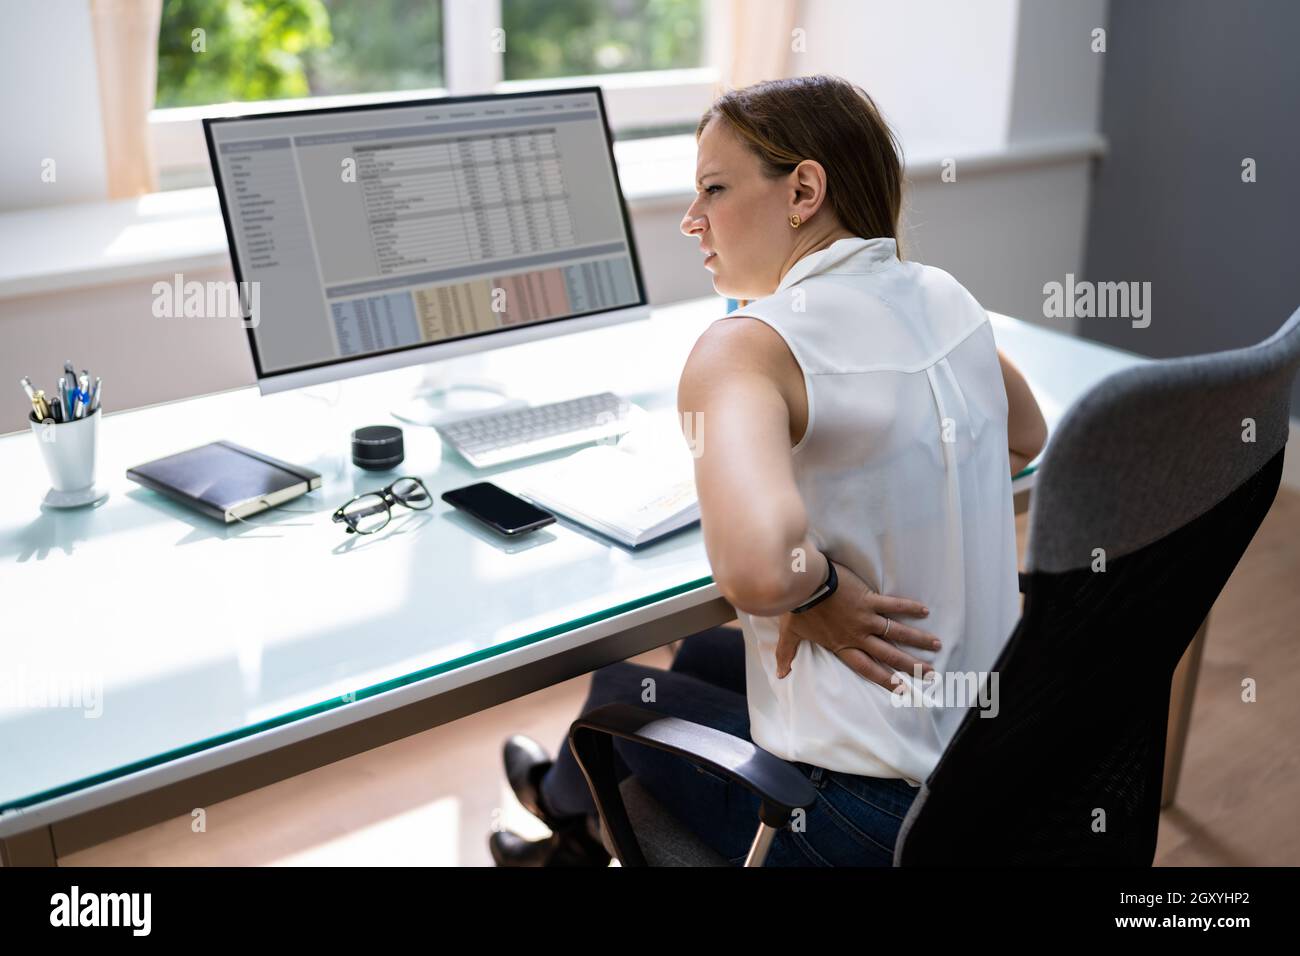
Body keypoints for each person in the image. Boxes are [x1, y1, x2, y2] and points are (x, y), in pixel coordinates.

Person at [489, 74, 1048, 866]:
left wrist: (814, 589)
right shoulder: (945, 298)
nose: (692, 220)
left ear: (804, 190)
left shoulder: (746, 345)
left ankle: (559, 815)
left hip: (865, 825)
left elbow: (758, 564)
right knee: (699, 658)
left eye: (714, 189)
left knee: (620, 691)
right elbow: (1026, 433)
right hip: (992, 783)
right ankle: (570, 840)